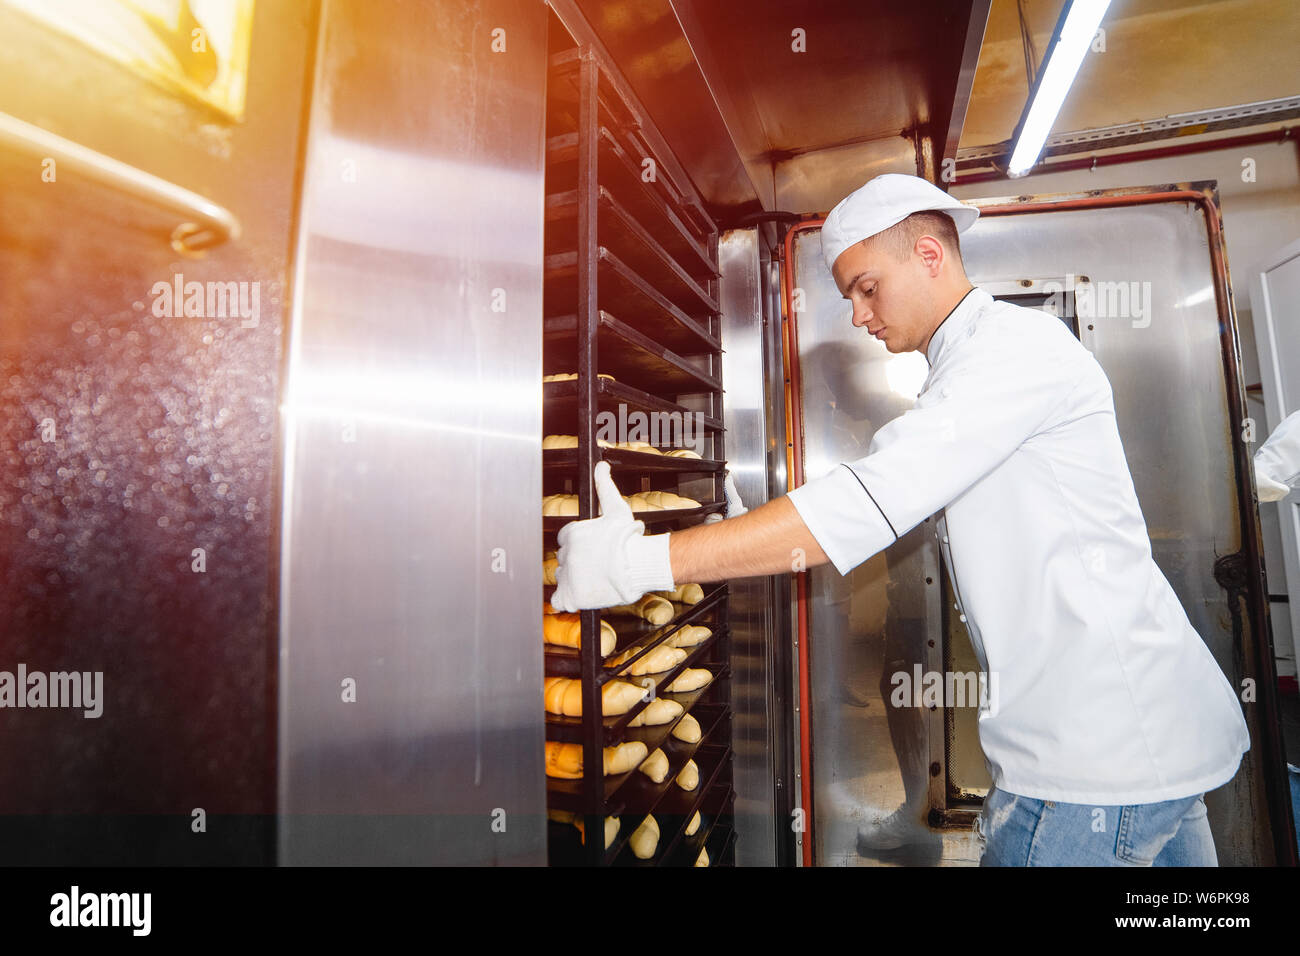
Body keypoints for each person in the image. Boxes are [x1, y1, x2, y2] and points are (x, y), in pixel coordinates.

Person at [552, 173, 1250, 866]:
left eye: (865, 287)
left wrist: (639, 562)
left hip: (1096, 759)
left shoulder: (1012, 351)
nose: (859, 314)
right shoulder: (971, 366)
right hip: (1143, 740)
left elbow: (863, 502)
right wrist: (755, 527)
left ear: (928, 255)